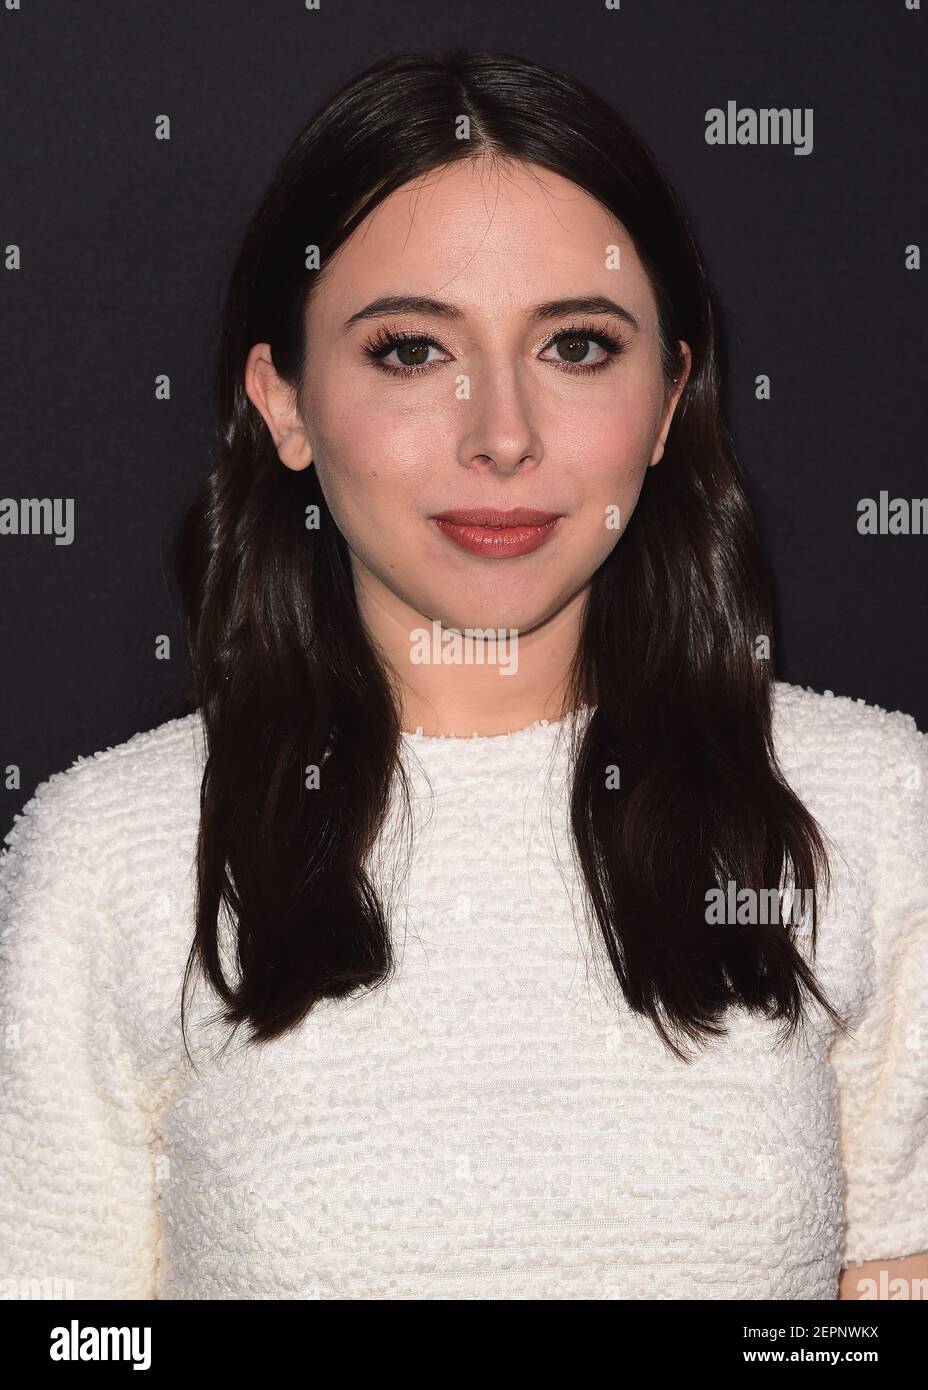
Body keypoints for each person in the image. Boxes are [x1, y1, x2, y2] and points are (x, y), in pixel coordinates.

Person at [1, 49, 926, 1302]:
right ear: (282, 401)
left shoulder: (870, 809)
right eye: (408, 352)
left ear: (667, 402)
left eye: (579, 346)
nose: (502, 434)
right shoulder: (110, 852)